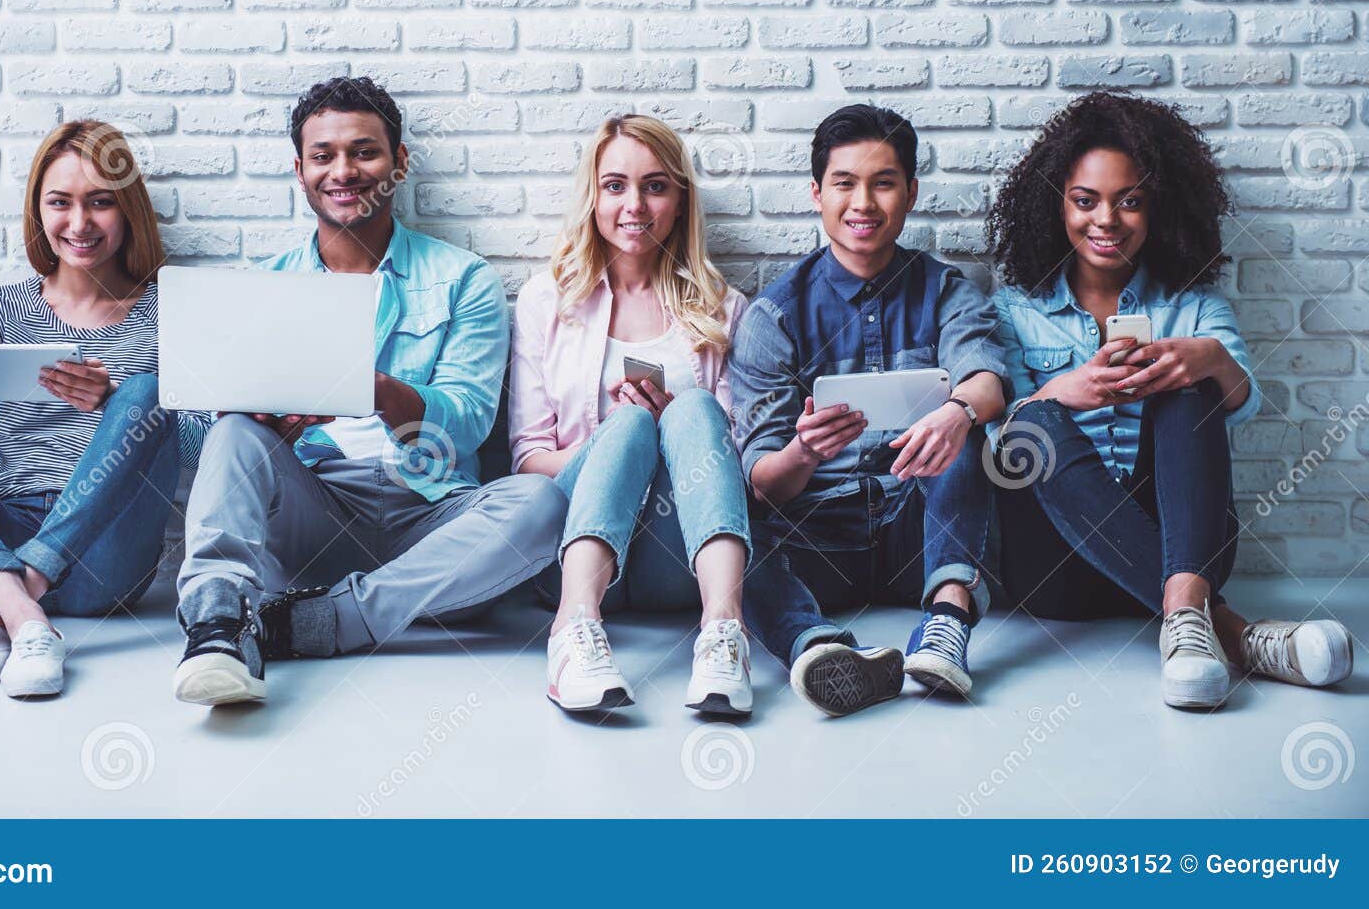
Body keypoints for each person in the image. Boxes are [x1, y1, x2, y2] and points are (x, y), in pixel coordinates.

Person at [172, 76, 566, 707]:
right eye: (323, 156)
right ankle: (217, 624)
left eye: (364, 152)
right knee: (232, 430)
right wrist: (256, 419)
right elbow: (207, 451)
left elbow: (465, 425)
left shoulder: (464, 279)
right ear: (299, 171)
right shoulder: (263, 286)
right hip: (314, 513)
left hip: (431, 520)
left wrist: (373, 389)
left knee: (542, 503)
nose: (344, 171)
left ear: (399, 162)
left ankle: (325, 621)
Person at [986, 90, 1353, 708]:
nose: (1106, 219)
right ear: (1057, 207)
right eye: (1085, 201)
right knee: (1036, 422)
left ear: (1158, 209)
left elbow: (1248, 403)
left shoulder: (1194, 305)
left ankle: (1185, 616)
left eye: (1129, 201)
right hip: (1054, 567)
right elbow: (1001, 451)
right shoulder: (1013, 311)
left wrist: (1210, 359)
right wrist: (1060, 392)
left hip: (1186, 541)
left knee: (1190, 392)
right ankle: (1233, 632)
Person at [0, 121, 211, 698]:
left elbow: (208, 444)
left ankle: (0, 607)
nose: (78, 224)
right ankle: (23, 614)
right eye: (60, 203)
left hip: (107, 555)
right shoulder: (3, 306)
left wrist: (115, 401)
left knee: (148, 391)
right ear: (39, 211)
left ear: (127, 210)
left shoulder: (168, 310)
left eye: (100, 203)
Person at [729, 104, 1007, 717]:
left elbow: (987, 381)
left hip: (921, 526)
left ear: (910, 193)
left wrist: (956, 412)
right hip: (819, 533)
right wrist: (804, 450)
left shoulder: (946, 291)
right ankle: (819, 648)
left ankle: (946, 625)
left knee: (967, 436)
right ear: (816, 194)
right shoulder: (773, 316)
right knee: (730, 524)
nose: (864, 203)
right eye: (844, 183)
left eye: (883, 183)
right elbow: (764, 484)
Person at [510, 115, 754, 716]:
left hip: (680, 558)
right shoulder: (548, 300)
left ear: (680, 200)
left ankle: (724, 633)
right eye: (615, 185)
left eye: (655, 186)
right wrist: (623, 438)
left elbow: (740, 466)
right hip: (571, 552)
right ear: (593, 196)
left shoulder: (724, 311)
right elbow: (527, 459)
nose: (634, 205)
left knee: (692, 407)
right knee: (631, 421)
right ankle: (573, 631)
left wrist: (672, 429)